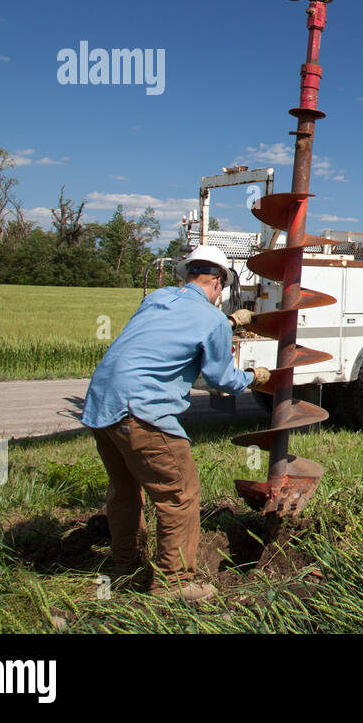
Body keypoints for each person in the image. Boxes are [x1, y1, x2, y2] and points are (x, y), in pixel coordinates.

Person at [80, 243, 271, 602]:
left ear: (189, 275)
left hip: (102, 403)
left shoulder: (158, 298)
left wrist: (229, 322)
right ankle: (173, 582)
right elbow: (219, 378)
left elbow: (172, 330)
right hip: (141, 409)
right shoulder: (211, 318)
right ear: (218, 282)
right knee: (180, 495)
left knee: (123, 491)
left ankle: (126, 568)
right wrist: (252, 377)